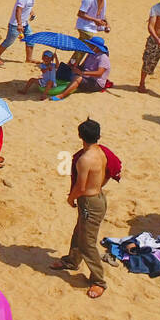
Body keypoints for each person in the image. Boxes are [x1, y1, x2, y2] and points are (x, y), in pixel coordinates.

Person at [51, 118, 110, 299]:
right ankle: (72, 260)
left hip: (89, 202)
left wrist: (70, 198)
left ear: (80, 136)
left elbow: (81, 186)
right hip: (98, 198)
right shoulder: (101, 152)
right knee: (80, 232)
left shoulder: (84, 159)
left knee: (87, 242)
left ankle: (99, 280)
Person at [0, 0, 44, 65]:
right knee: (8, 41)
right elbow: (18, 10)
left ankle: (29, 58)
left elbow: (27, 7)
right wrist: (19, 24)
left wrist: (31, 13)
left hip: (25, 24)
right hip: (15, 25)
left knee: (31, 39)